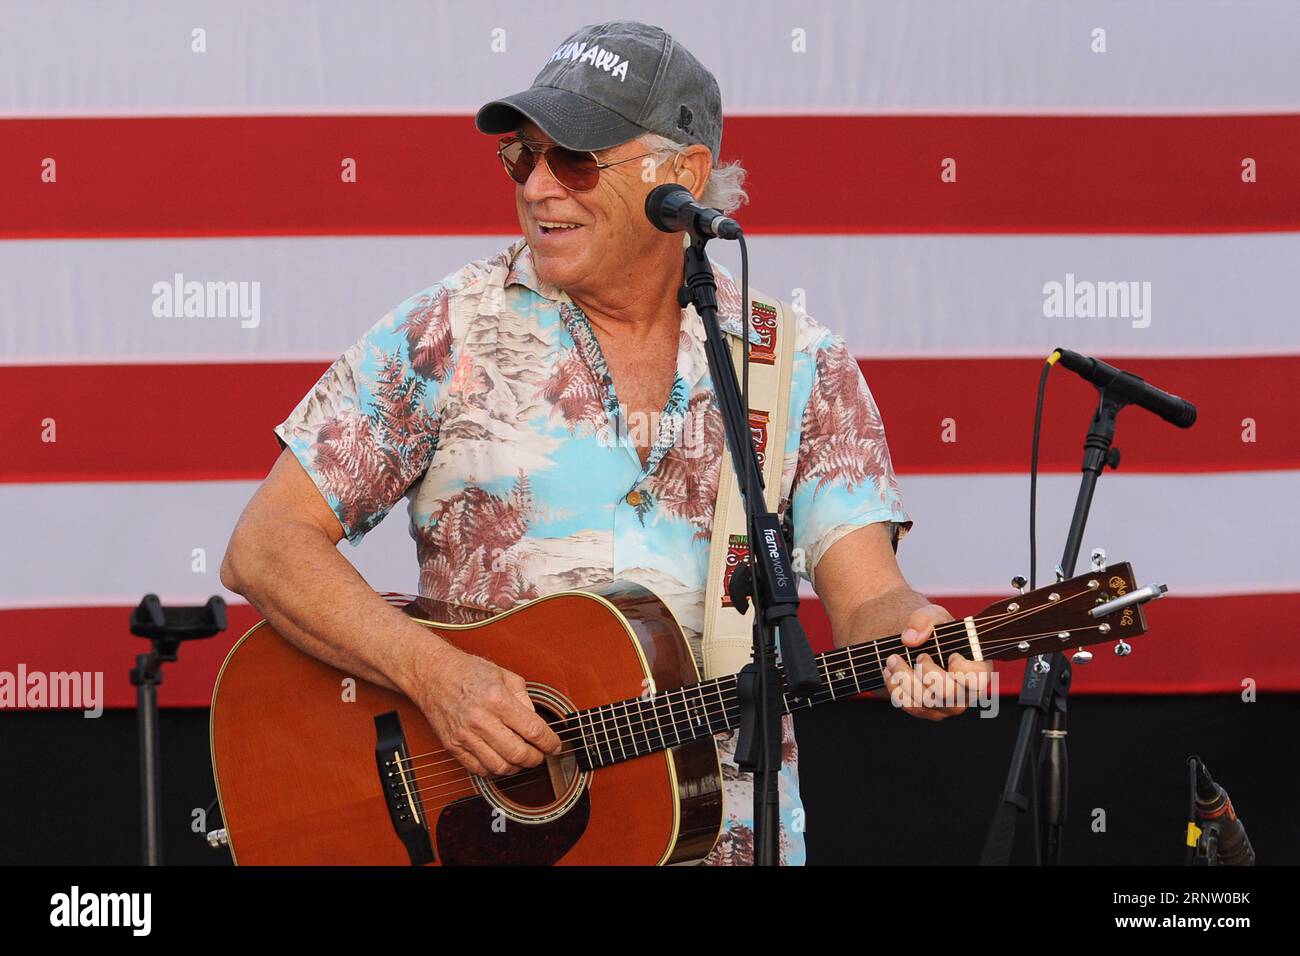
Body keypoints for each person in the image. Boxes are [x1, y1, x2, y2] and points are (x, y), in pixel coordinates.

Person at [220, 19, 992, 866]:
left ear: (683, 176)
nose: (539, 187)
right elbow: (265, 545)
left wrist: (917, 635)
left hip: (730, 841)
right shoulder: (448, 331)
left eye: (577, 160)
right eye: (523, 156)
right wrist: (437, 677)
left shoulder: (795, 363)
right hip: (492, 840)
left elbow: (867, 596)